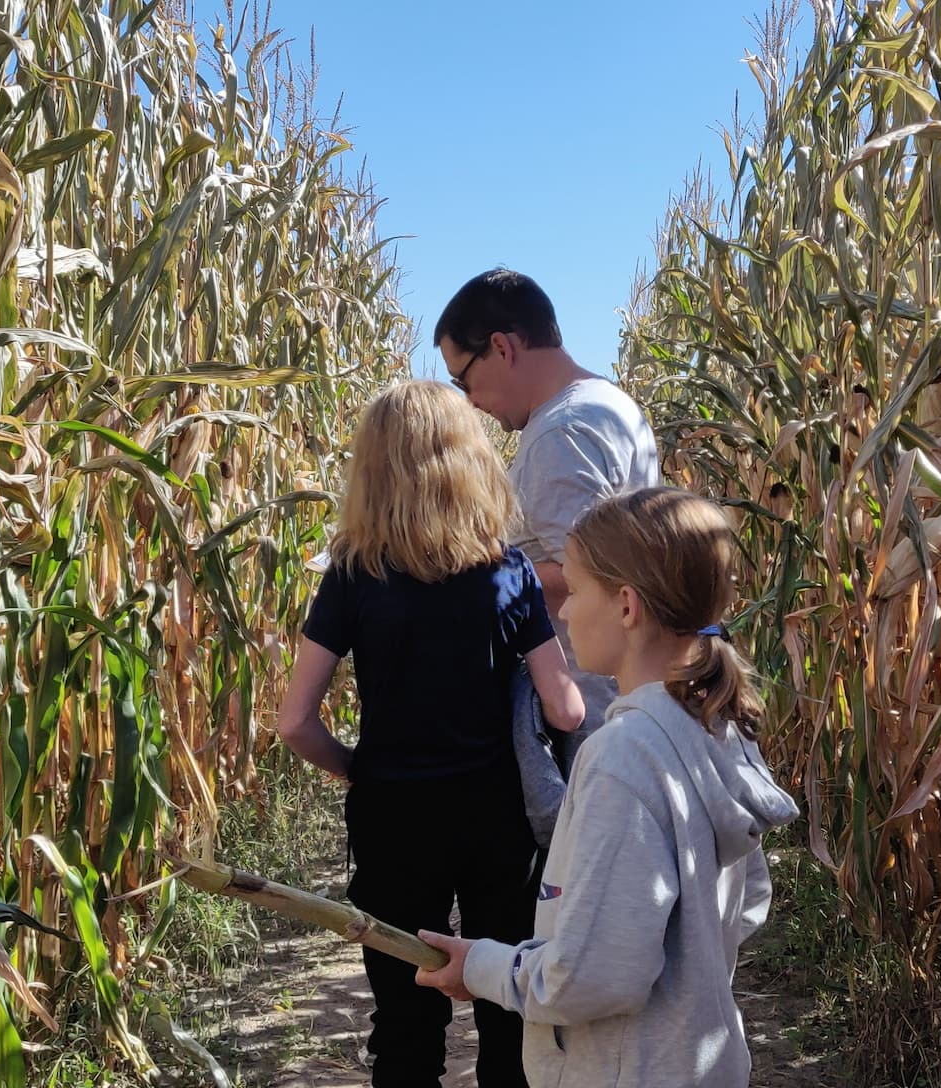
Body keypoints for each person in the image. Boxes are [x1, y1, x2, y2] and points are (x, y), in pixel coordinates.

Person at [412, 487, 800, 1088]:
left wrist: (484, 967)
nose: (563, 612)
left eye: (573, 590)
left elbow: (594, 976)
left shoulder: (623, 757)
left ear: (626, 606)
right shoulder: (718, 727)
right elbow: (747, 901)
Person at [275, 381, 585, 1088]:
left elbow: (294, 721)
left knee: (405, 1024)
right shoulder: (509, 571)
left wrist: (356, 766)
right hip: (497, 819)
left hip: (393, 817)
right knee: (509, 1007)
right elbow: (567, 710)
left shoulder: (352, 574)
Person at [434, 269, 660, 762]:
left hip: (586, 707)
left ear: (501, 347)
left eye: (463, 379)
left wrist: (469, 571)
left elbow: (593, 580)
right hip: (618, 696)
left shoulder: (560, 435)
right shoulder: (611, 404)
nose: (470, 401)